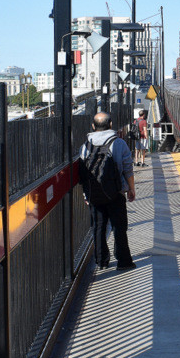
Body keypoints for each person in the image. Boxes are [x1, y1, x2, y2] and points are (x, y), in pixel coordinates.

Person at [80, 112, 137, 270]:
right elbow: (128, 169)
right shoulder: (119, 143)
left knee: (98, 227)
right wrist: (131, 189)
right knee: (119, 227)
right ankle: (124, 261)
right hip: (116, 193)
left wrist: (86, 194)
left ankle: (101, 261)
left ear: (93, 126)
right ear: (110, 124)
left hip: (94, 194)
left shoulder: (85, 147)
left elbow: (83, 174)